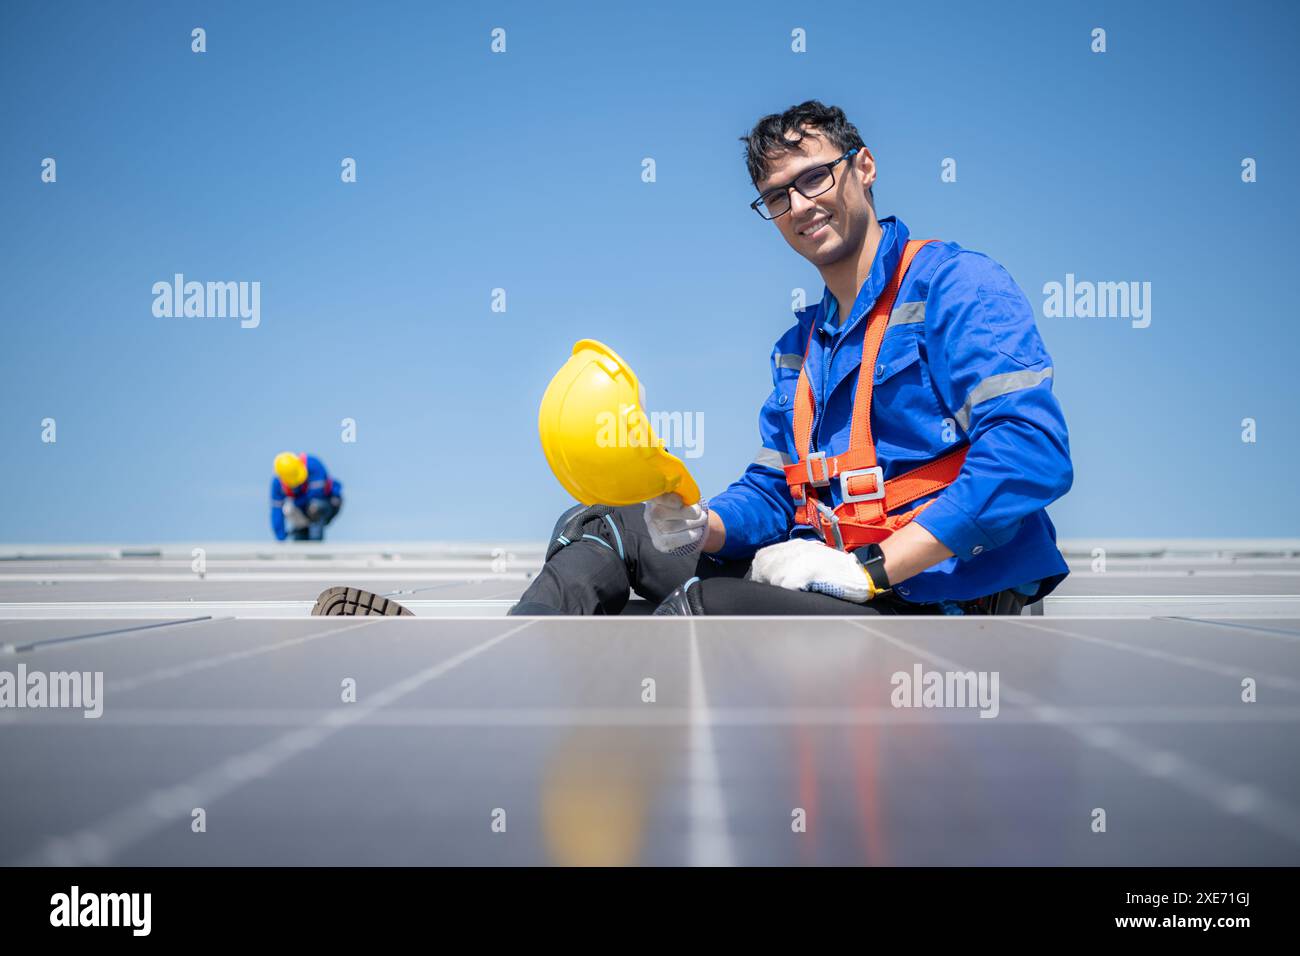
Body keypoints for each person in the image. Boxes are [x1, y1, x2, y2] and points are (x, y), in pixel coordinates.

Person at [508, 100, 1072, 616]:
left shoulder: (956, 286)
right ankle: (507, 679)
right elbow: (774, 491)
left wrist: (868, 569)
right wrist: (705, 525)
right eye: (778, 196)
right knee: (604, 527)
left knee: (701, 609)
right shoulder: (797, 348)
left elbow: (1029, 454)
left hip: (932, 601)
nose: (800, 205)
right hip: (823, 574)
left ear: (865, 167)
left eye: (814, 177)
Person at [271, 451, 343, 541]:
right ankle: (300, 542)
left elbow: (317, 495)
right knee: (288, 510)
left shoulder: (313, 465)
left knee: (315, 508)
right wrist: (280, 537)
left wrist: (297, 505)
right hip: (303, 508)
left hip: (327, 502)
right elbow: (276, 511)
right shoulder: (277, 484)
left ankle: (316, 546)